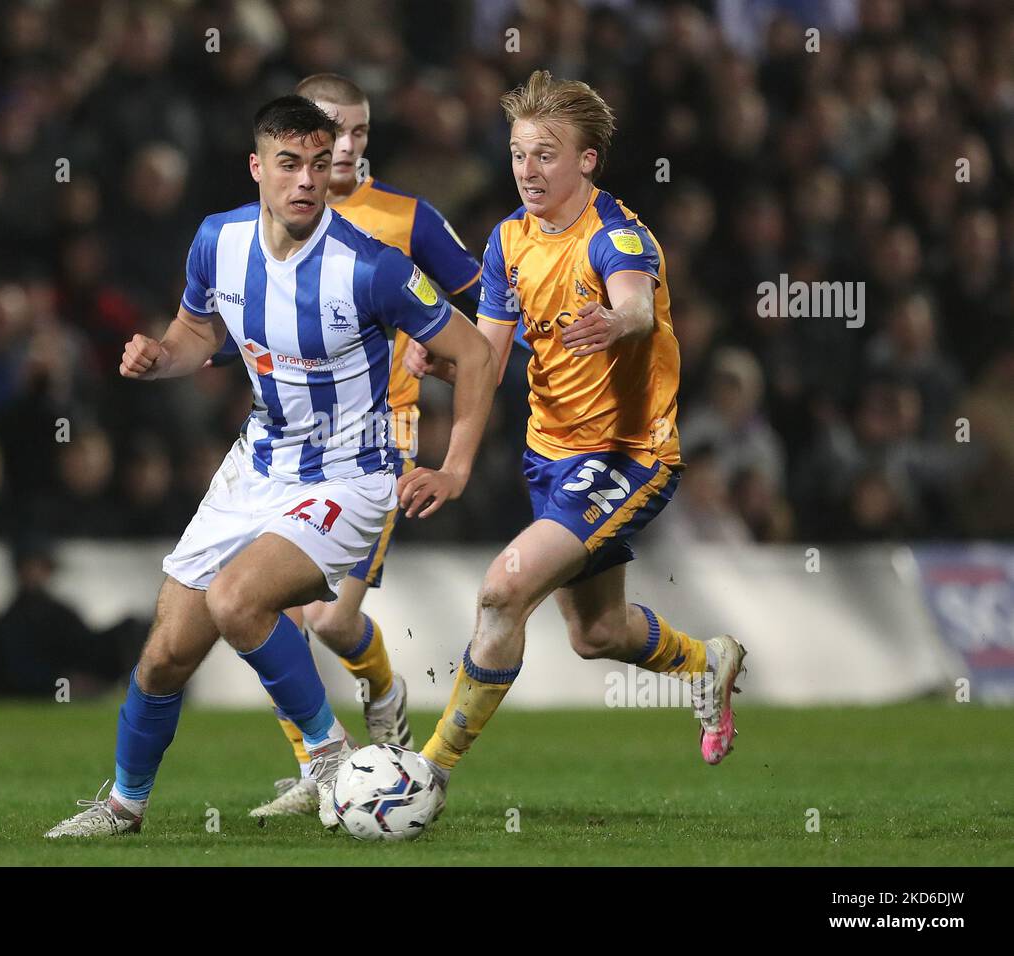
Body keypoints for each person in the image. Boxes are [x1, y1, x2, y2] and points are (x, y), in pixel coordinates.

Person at [44, 95, 495, 837]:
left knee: (237, 601)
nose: (307, 181)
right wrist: (160, 358)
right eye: (289, 164)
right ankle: (123, 806)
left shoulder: (372, 268)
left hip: (349, 476)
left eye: (320, 164)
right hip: (254, 468)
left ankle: (327, 757)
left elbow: (474, 352)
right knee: (162, 659)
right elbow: (195, 330)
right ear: (258, 167)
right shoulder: (215, 242)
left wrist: (456, 468)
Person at [405, 71, 747, 818]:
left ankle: (424, 776)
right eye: (519, 154)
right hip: (550, 455)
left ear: (587, 161)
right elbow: (490, 362)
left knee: (501, 591)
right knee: (596, 634)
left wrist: (617, 322)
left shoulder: (616, 236)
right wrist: (444, 377)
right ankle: (704, 662)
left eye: (546, 154)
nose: (528, 170)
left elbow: (634, 306)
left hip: (629, 456)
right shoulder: (507, 241)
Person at [247, 72, 484, 818]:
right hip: (287, 443)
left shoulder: (407, 221)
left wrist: (438, 360)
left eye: (359, 132)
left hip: (380, 442)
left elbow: (488, 329)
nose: (345, 146)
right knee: (268, 611)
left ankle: (383, 688)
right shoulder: (265, 222)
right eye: (330, 129)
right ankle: (319, 764)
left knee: (327, 620)